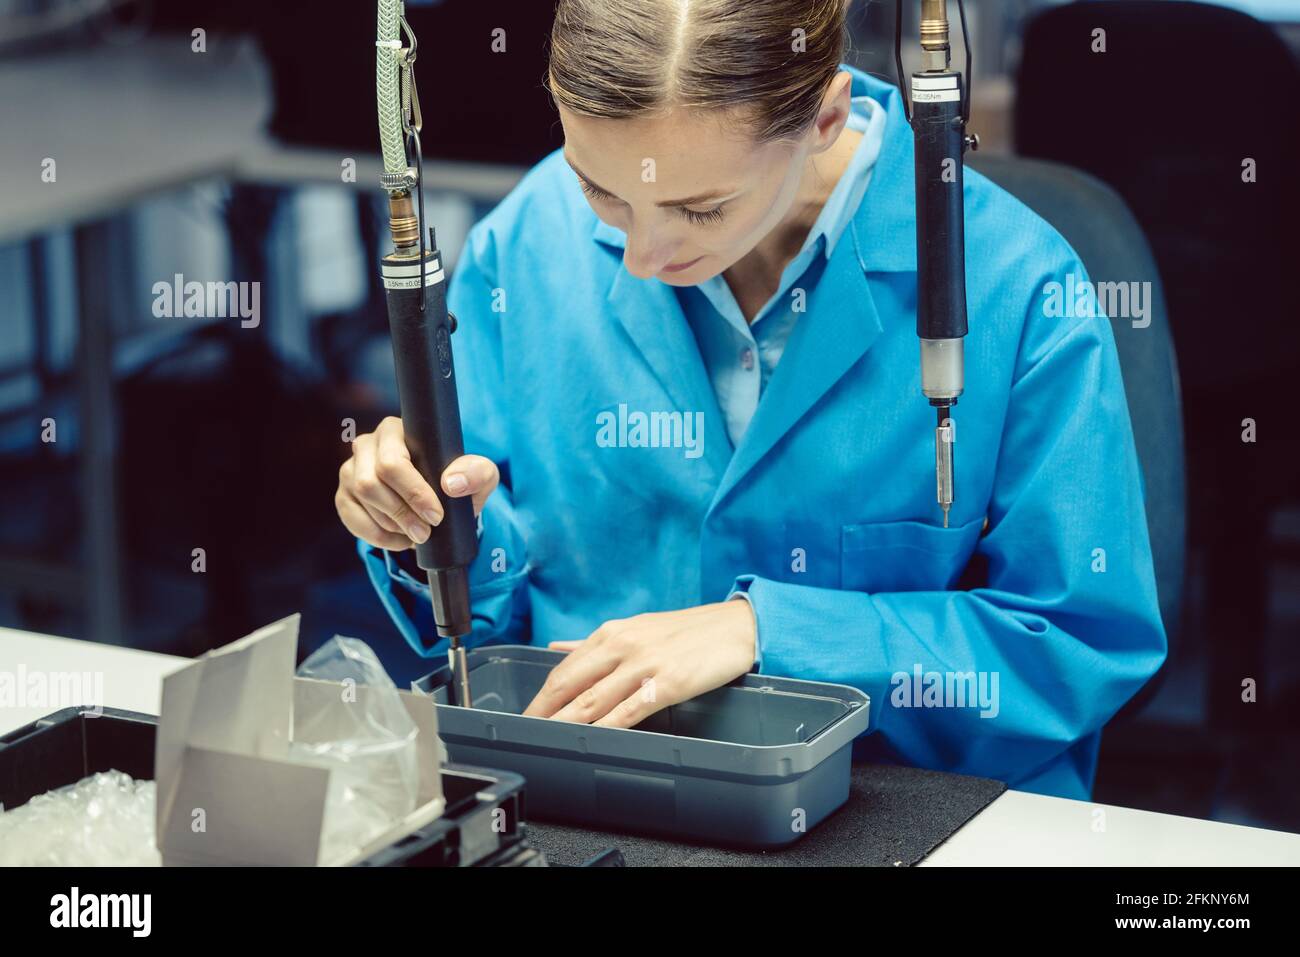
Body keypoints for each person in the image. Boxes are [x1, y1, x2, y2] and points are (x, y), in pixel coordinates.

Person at [335, 0, 1166, 800]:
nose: (642, 256)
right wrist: (422, 525)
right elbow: (488, 626)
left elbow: (1076, 645)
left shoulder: (1013, 281)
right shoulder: (528, 243)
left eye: (700, 207)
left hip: (904, 810)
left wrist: (767, 633)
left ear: (825, 119)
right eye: (603, 191)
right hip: (603, 793)